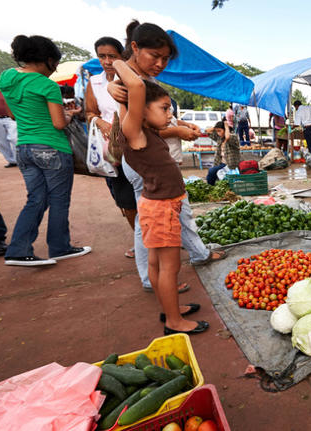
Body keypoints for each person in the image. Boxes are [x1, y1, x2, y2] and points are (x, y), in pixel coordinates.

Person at [110, 20, 225, 292]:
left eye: (165, 59)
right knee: (147, 222)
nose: (160, 63)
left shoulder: (146, 79)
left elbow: (156, 121)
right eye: (155, 56)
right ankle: (154, 280)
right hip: (145, 165)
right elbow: (139, 133)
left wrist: (183, 126)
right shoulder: (130, 84)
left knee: (179, 209)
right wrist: (178, 132)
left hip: (159, 163)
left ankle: (196, 254)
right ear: (135, 48)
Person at [112, 59, 207, 335]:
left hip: (159, 206)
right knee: (170, 266)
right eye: (164, 109)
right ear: (141, 111)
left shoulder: (148, 131)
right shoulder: (136, 133)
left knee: (156, 263)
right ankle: (174, 322)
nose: (169, 114)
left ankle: (170, 310)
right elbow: (136, 86)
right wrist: (118, 64)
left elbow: (133, 96)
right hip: (161, 208)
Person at [0, 35, 91, 266]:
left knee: (36, 199)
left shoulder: (7, 78)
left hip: (24, 148)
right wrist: (70, 113)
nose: (56, 68)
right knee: (59, 200)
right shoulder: (46, 85)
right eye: (56, 63)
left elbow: (12, 114)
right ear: (48, 60)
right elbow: (59, 124)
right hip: (52, 147)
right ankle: (60, 247)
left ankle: (18, 250)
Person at [85, 36, 138, 258]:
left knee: (142, 195)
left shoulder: (129, 79)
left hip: (133, 146)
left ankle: (149, 238)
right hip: (110, 151)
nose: (107, 61)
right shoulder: (94, 83)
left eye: (112, 56)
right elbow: (89, 113)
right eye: (102, 56)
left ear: (121, 57)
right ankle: (140, 239)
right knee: (124, 198)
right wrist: (101, 122)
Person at [205, 120, 240, 186]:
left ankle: (210, 187)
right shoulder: (219, 138)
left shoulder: (233, 137)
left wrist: (226, 127)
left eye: (219, 131)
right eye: (217, 131)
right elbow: (207, 131)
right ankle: (212, 187)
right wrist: (215, 127)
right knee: (211, 174)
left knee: (211, 171)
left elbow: (228, 137)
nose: (218, 133)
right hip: (221, 163)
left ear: (225, 130)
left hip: (230, 164)